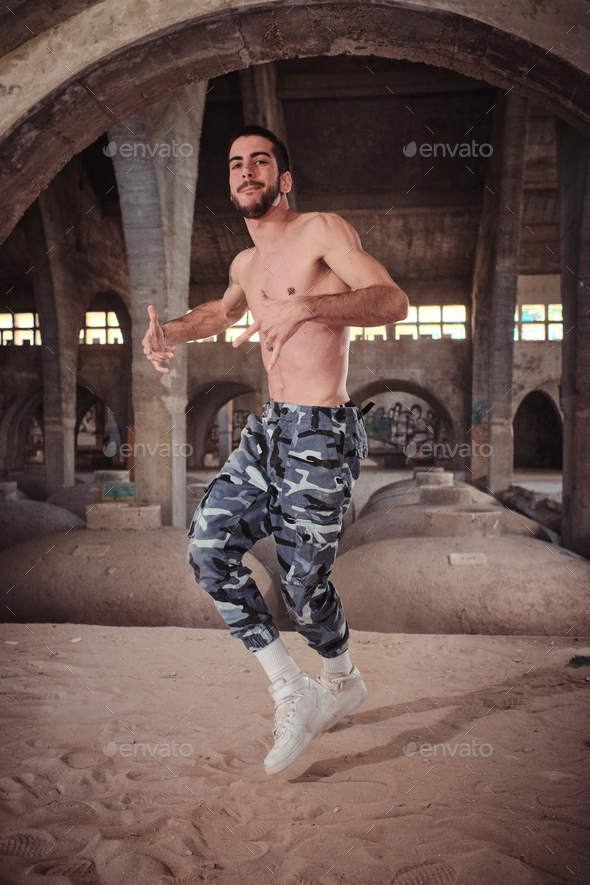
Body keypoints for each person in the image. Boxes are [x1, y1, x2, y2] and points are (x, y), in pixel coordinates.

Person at [141, 124, 408, 775]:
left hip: (321, 429)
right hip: (270, 430)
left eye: (259, 161)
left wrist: (307, 308)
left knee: (302, 582)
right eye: (236, 163)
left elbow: (392, 300)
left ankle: (340, 679)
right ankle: (291, 687)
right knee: (208, 546)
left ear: (282, 179)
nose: (246, 170)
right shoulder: (245, 263)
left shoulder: (321, 231)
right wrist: (168, 332)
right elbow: (222, 312)